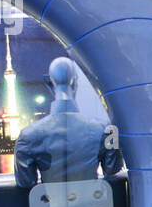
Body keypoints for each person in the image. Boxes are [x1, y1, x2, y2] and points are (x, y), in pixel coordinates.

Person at [15, 57, 123, 187]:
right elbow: (113, 169)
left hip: (51, 206)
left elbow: (25, 182)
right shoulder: (105, 130)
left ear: (49, 84)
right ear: (75, 84)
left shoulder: (27, 137)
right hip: (95, 205)